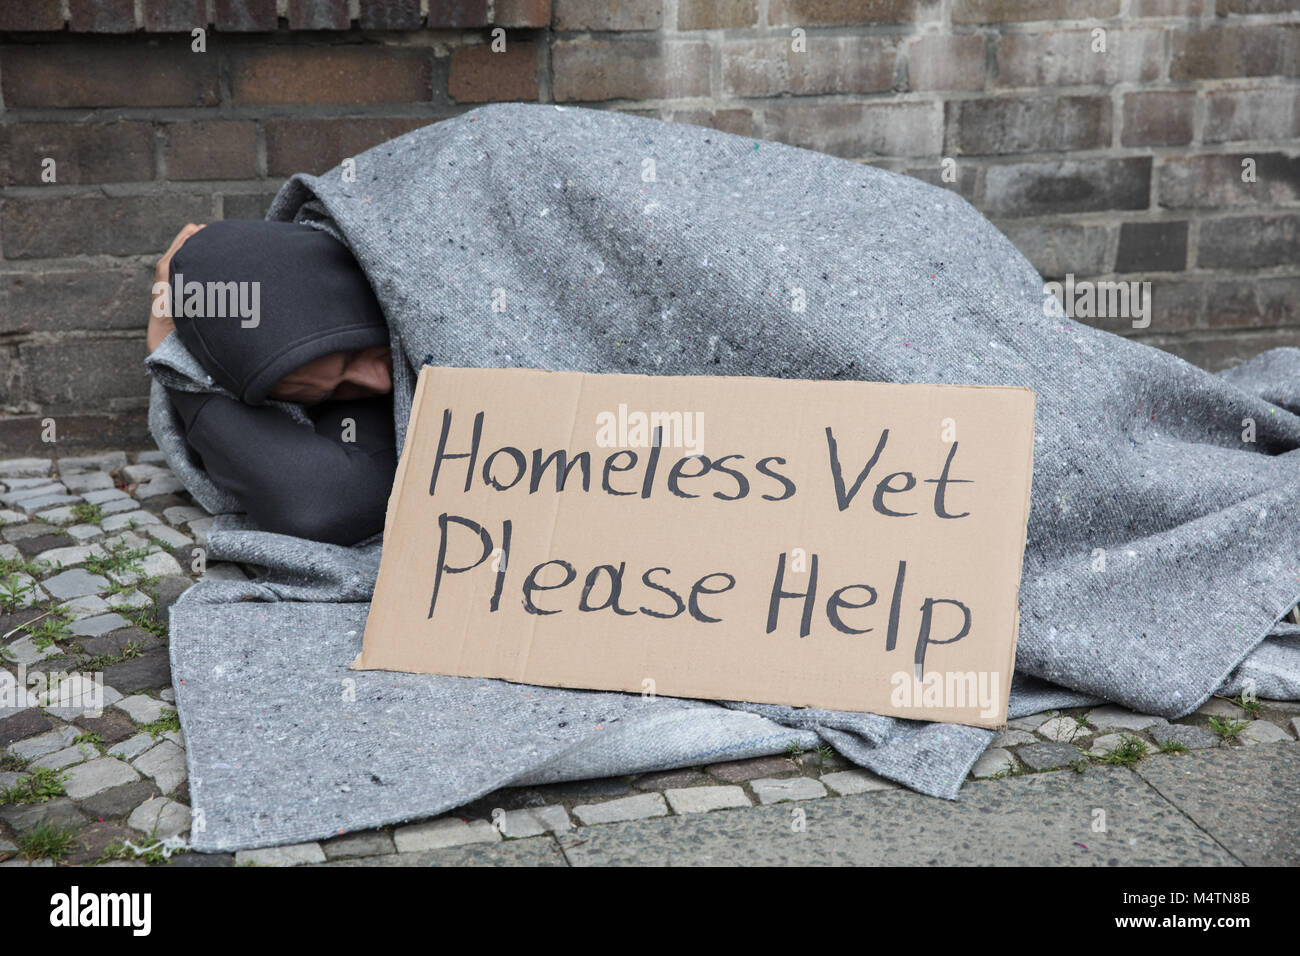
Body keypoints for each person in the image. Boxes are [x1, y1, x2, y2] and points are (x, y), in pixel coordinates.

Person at [148, 219, 398, 545]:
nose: (381, 384)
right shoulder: (358, 401)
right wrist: (170, 357)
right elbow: (319, 505)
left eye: (357, 353)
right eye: (337, 389)